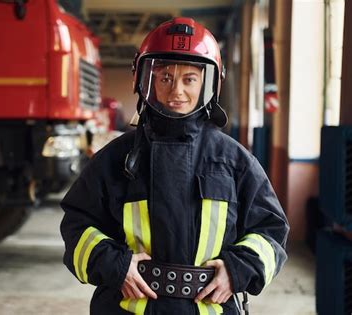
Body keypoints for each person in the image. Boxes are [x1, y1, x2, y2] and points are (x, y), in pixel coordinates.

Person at [60, 17, 289, 315]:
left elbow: (271, 230)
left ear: (209, 83)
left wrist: (237, 270)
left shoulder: (235, 161)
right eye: (165, 77)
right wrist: (114, 265)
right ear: (146, 80)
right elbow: (77, 225)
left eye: (190, 79)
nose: (176, 90)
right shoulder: (114, 159)